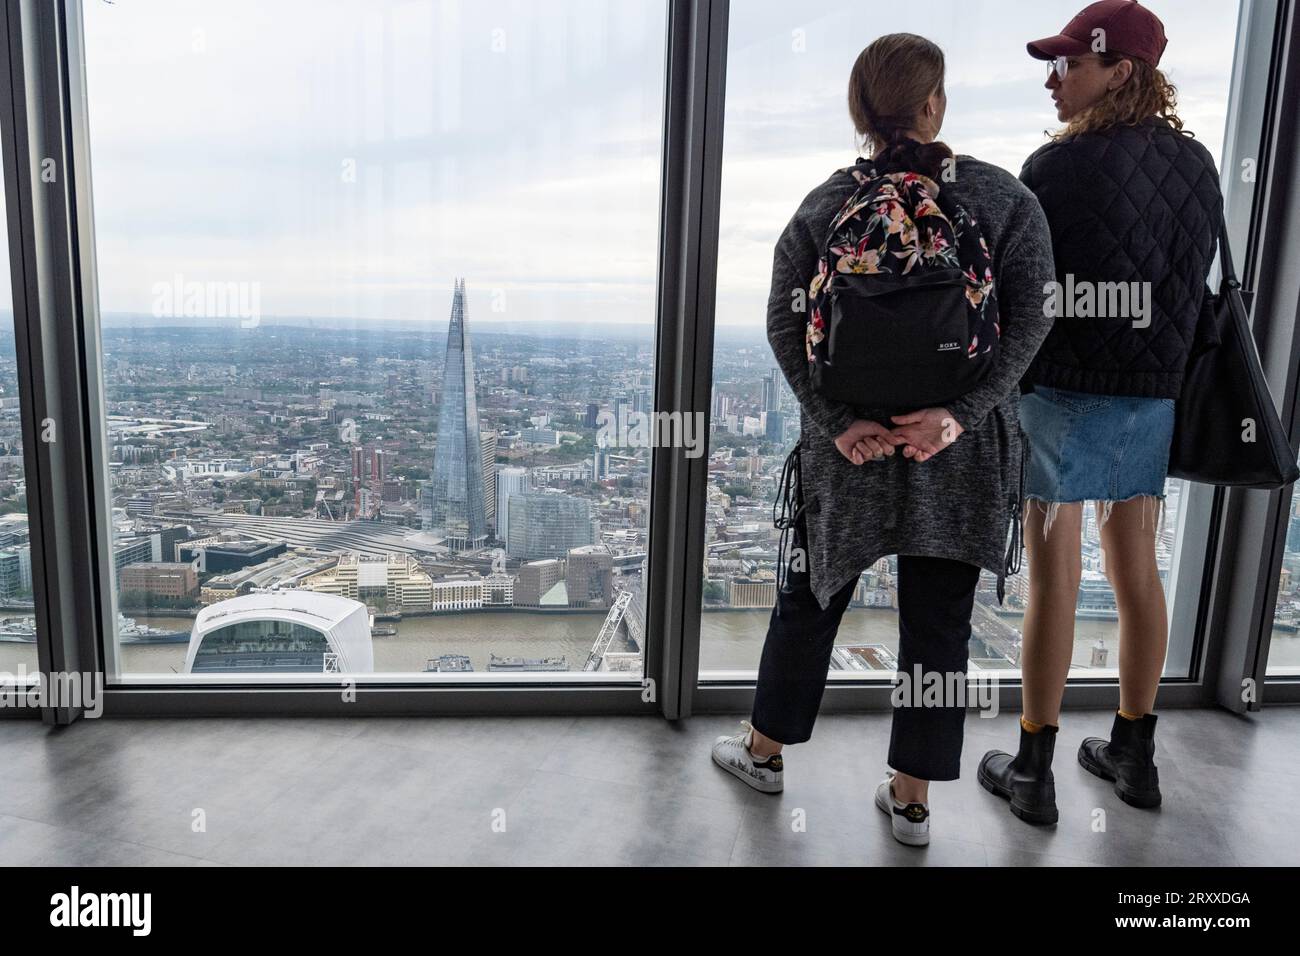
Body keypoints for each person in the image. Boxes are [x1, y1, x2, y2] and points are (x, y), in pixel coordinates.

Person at [710, 32, 1055, 847]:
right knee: (938, 625)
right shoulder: (1003, 200)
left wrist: (838, 425)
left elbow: (782, 322)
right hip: (956, 452)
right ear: (934, 105)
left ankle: (765, 755)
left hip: (849, 452)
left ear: (861, 114)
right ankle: (910, 804)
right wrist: (960, 416)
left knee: (810, 598)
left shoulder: (827, 205)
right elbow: (1037, 314)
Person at [979, 0, 1224, 824]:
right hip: (1151, 397)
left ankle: (1034, 769)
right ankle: (1134, 754)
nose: (1054, 79)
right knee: (1136, 571)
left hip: (1062, 392)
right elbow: (1190, 292)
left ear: (1121, 71)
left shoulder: (1055, 169)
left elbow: (1027, 297)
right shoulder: (1198, 165)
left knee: (1054, 580)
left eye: (1070, 65)